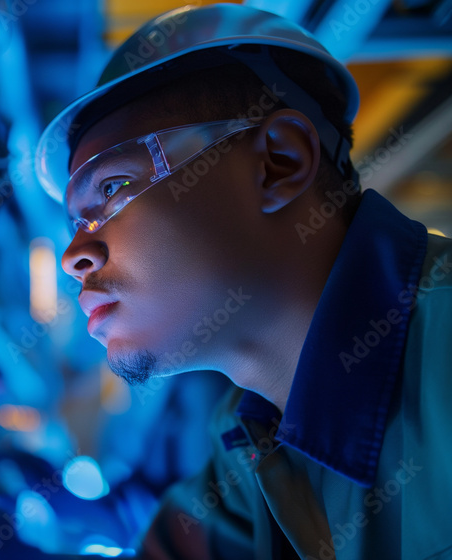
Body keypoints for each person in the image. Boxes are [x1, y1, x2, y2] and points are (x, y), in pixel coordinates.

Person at [34, 3, 452, 559]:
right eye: (75, 222)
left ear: (279, 162)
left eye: (111, 190)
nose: (73, 256)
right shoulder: (247, 436)